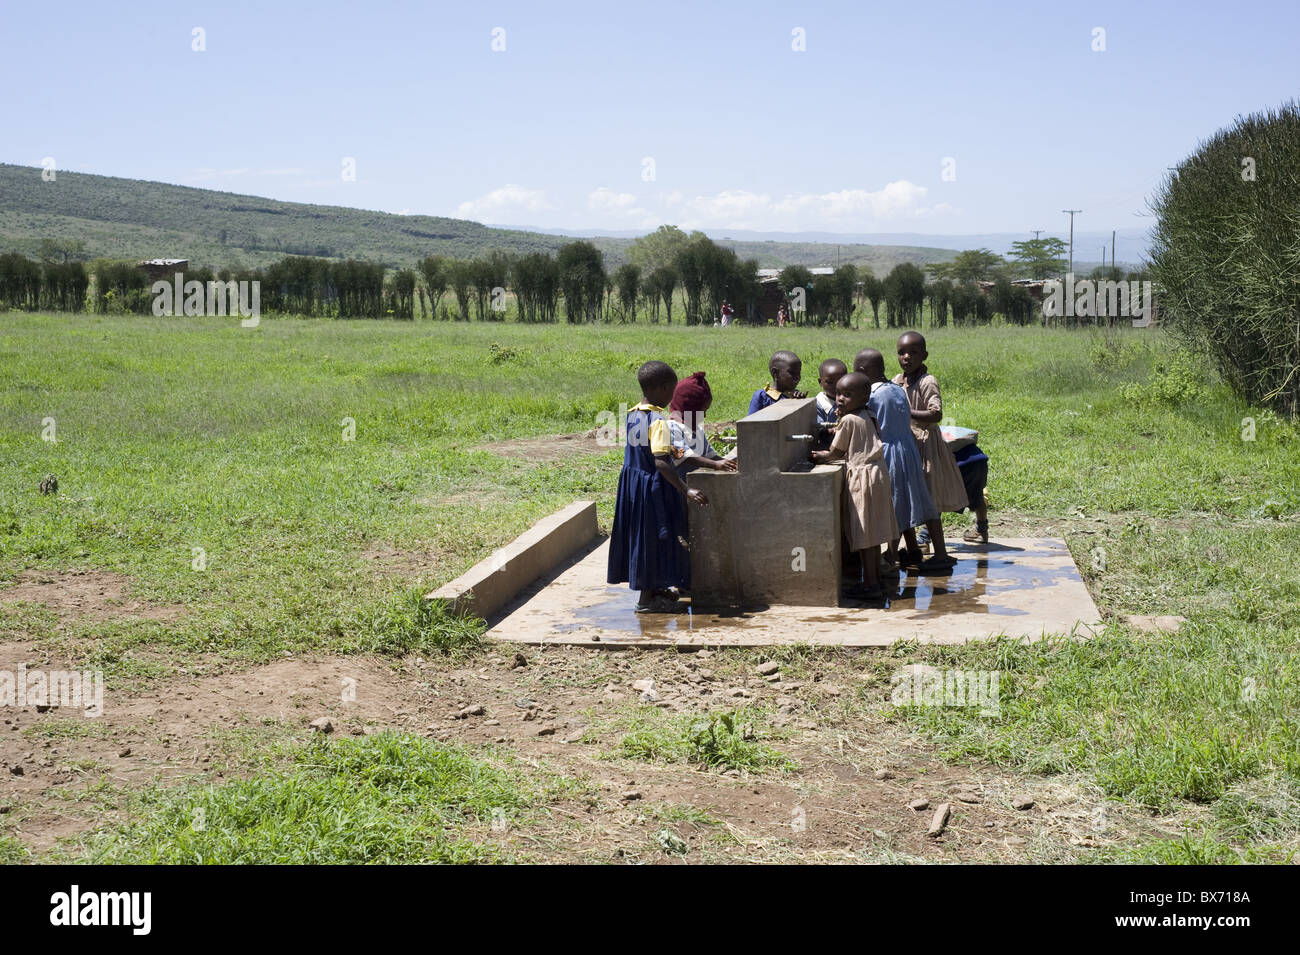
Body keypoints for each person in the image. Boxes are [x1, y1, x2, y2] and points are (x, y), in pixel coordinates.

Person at [607, 361, 708, 613]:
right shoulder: (658, 421)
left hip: (634, 487)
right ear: (663, 389)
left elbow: (668, 449)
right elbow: (661, 462)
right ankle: (646, 601)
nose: (672, 396)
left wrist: (709, 462)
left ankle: (655, 589)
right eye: (672, 390)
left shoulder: (633, 414)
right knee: (653, 540)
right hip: (652, 488)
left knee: (644, 537)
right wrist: (686, 489)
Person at [855, 348, 946, 570]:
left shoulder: (874, 396)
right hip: (908, 450)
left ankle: (892, 557)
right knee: (918, 501)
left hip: (888, 454)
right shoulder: (895, 388)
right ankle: (930, 552)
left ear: (862, 371)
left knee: (894, 505)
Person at [810, 372, 898, 600]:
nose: (840, 399)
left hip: (862, 477)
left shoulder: (849, 420)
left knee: (864, 533)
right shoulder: (869, 414)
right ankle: (875, 579)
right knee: (873, 533)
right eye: (839, 393)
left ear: (864, 397)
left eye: (847, 395)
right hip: (878, 474)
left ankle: (869, 584)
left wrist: (821, 457)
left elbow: (836, 452)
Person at [892, 332, 966, 568]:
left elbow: (936, 414)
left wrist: (907, 413)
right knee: (904, 499)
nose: (906, 357)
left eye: (913, 353)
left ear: (924, 355)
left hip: (926, 447)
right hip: (907, 446)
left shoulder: (927, 381)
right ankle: (910, 550)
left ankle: (941, 555)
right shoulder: (897, 381)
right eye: (902, 352)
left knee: (929, 501)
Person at [667, 371, 738, 476]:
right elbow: (685, 456)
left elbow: (710, 456)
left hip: (695, 483)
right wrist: (715, 464)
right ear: (689, 408)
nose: (704, 416)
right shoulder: (672, 428)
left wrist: (728, 463)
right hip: (679, 484)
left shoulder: (696, 429)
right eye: (702, 410)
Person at [748, 350, 807, 415]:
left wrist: (801, 403)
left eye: (798, 373)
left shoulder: (796, 396)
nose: (797, 377)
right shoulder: (762, 397)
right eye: (791, 373)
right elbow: (751, 420)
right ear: (775, 373)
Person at [814, 358, 847, 427]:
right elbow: (819, 428)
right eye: (830, 382)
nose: (836, 386)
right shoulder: (818, 405)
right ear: (820, 382)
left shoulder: (852, 399)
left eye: (840, 381)